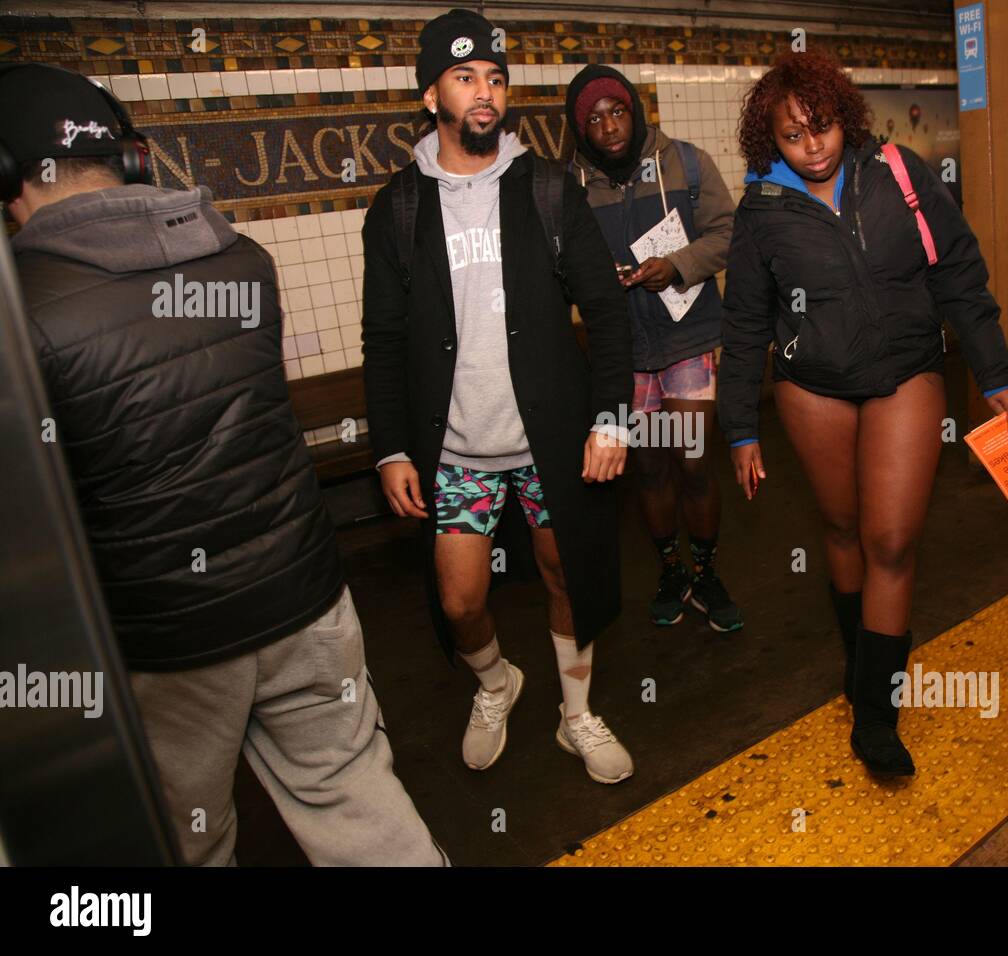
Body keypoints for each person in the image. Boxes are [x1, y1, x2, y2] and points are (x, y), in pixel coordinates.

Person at [3, 63, 447, 865]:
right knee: (355, 792)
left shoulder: (21, 312)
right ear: (133, 156)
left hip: (170, 641)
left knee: (190, 841)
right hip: (305, 598)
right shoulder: (241, 259)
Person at [718, 49, 1008, 778]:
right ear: (772, 142)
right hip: (812, 387)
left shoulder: (899, 172)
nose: (812, 145)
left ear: (842, 118)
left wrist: (996, 369)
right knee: (843, 526)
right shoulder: (761, 211)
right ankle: (862, 660)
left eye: (821, 126)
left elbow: (957, 269)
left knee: (890, 540)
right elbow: (743, 324)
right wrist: (740, 426)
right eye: (793, 136)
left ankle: (875, 715)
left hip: (905, 375)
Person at [362, 9, 636, 783]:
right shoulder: (399, 208)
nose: (484, 93)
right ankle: (497, 685)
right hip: (455, 452)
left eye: (494, 77)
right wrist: (389, 447)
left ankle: (576, 714)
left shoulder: (548, 189)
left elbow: (607, 311)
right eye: (464, 78)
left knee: (567, 579)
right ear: (430, 96)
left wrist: (611, 417)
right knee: (459, 604)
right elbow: (382, 339)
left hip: (552, 442)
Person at [563, 65, 742, 631]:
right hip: (627, 356)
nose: (609, 127)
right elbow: (557, 263)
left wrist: (678, 265)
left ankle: (707, 572)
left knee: (692, 463)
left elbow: (728, 234)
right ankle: (672, 572)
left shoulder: (685, 163)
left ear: (635, 112)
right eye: (593, 119)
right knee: (650, 471)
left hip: (686, 342)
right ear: (579, 128)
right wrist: (591, 280)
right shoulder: (571, 189)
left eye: (617, 111)